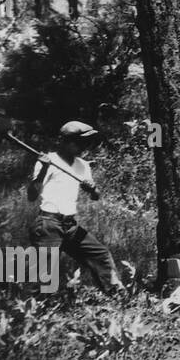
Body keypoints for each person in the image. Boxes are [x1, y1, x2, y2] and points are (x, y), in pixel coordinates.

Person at [26, 121, 122, 295]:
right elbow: (32, 195)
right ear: (64, 141)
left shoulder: (83, 165)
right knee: (45, 278)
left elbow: (96, 195)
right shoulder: (48, 160)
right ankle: (39, 311)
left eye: (85, 143)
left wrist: (92, 189)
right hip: (48, 224)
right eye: (78, 142)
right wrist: (43, 170)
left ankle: (117, 294)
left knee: (100, 255)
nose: (83, 147)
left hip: (70, 226)